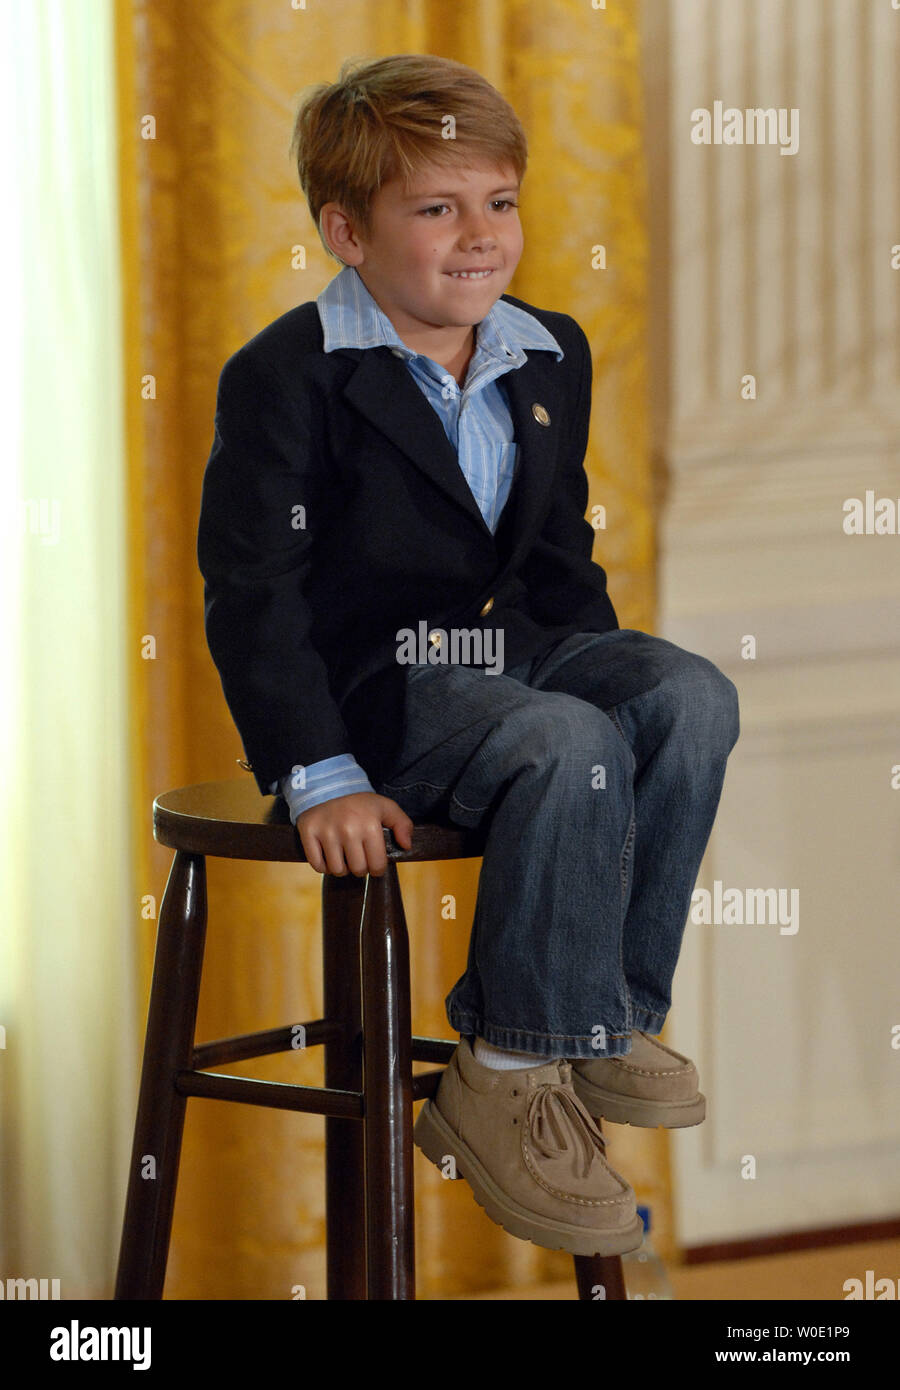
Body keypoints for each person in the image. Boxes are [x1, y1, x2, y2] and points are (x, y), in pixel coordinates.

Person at [197, 53, 740, 1258]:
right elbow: (251, 595)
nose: (480, 238)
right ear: (346, 231)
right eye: (435, 209)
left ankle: (600, 1016)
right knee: (568, 736)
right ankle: (501, 1072)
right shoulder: (290, 379)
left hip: (516, 660)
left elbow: (557, 562)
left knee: (686, 696)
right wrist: (318, 772)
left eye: (499, 202)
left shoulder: (548, 354)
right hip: (377, 689)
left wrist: (616, 684)